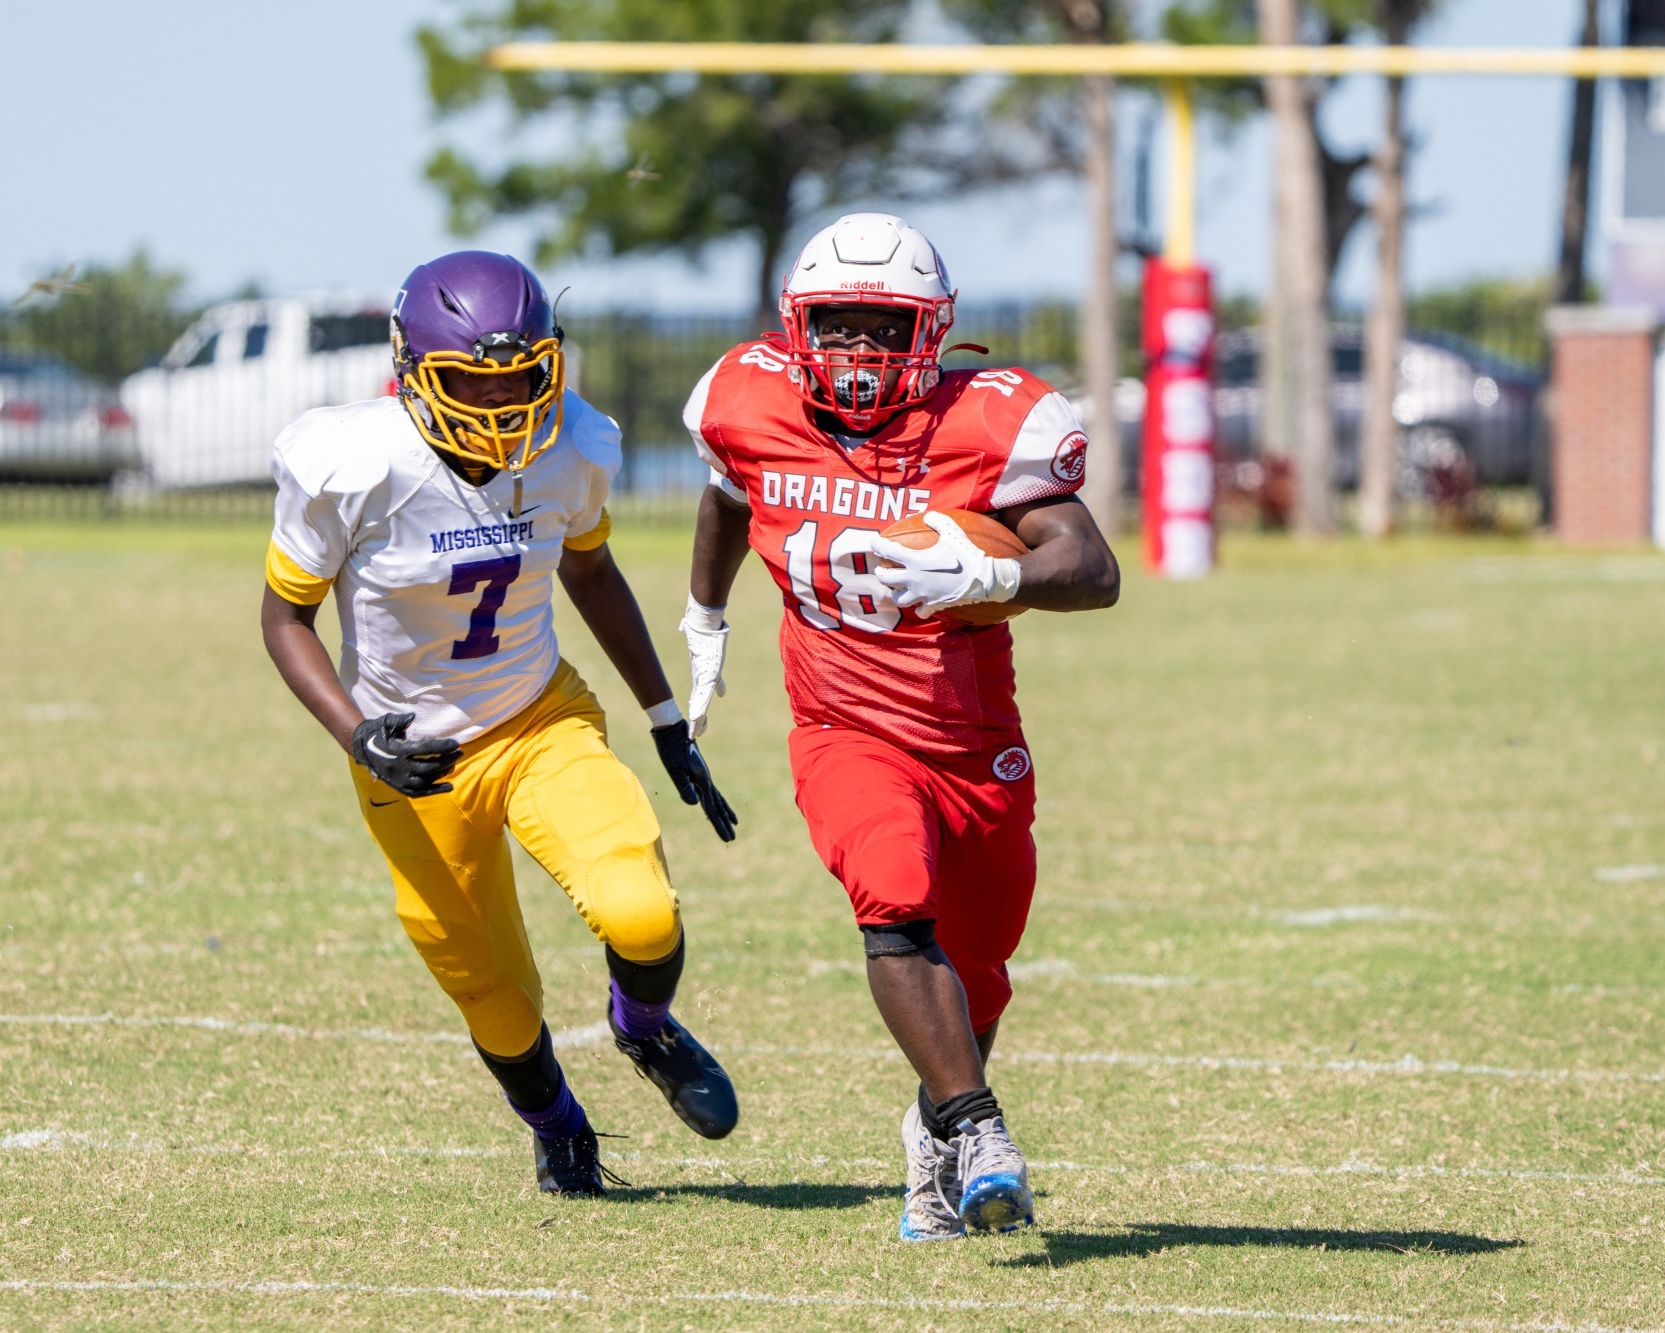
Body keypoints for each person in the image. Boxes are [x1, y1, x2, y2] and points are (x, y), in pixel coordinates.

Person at [260, 251, 740, 1198]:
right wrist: (357, 732)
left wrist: (662, 717)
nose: (503, 401)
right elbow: (285, 619)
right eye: (473, 379)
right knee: (486, 984)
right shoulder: (348, 464)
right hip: (414, 758)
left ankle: (643, 1029)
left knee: (640, 909)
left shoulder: (574, 445)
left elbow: (592, 572)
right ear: (409, 369)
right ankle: (558, 1125)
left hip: (537, 718)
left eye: (521, 375)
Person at [678, 214, 1120, 1240]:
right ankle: (979, 1129)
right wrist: (705, 619)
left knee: (981, 965)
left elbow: (1091, 570)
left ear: (931, 330)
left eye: (884, 327)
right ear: (796, 325)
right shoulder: (744, 397)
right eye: (837, 325)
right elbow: (723, 496)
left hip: (969, 736)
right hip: (840, 721)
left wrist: (990, 570)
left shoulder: (989, 421)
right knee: (892, 900)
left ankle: (931, 1132)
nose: (860, 352)